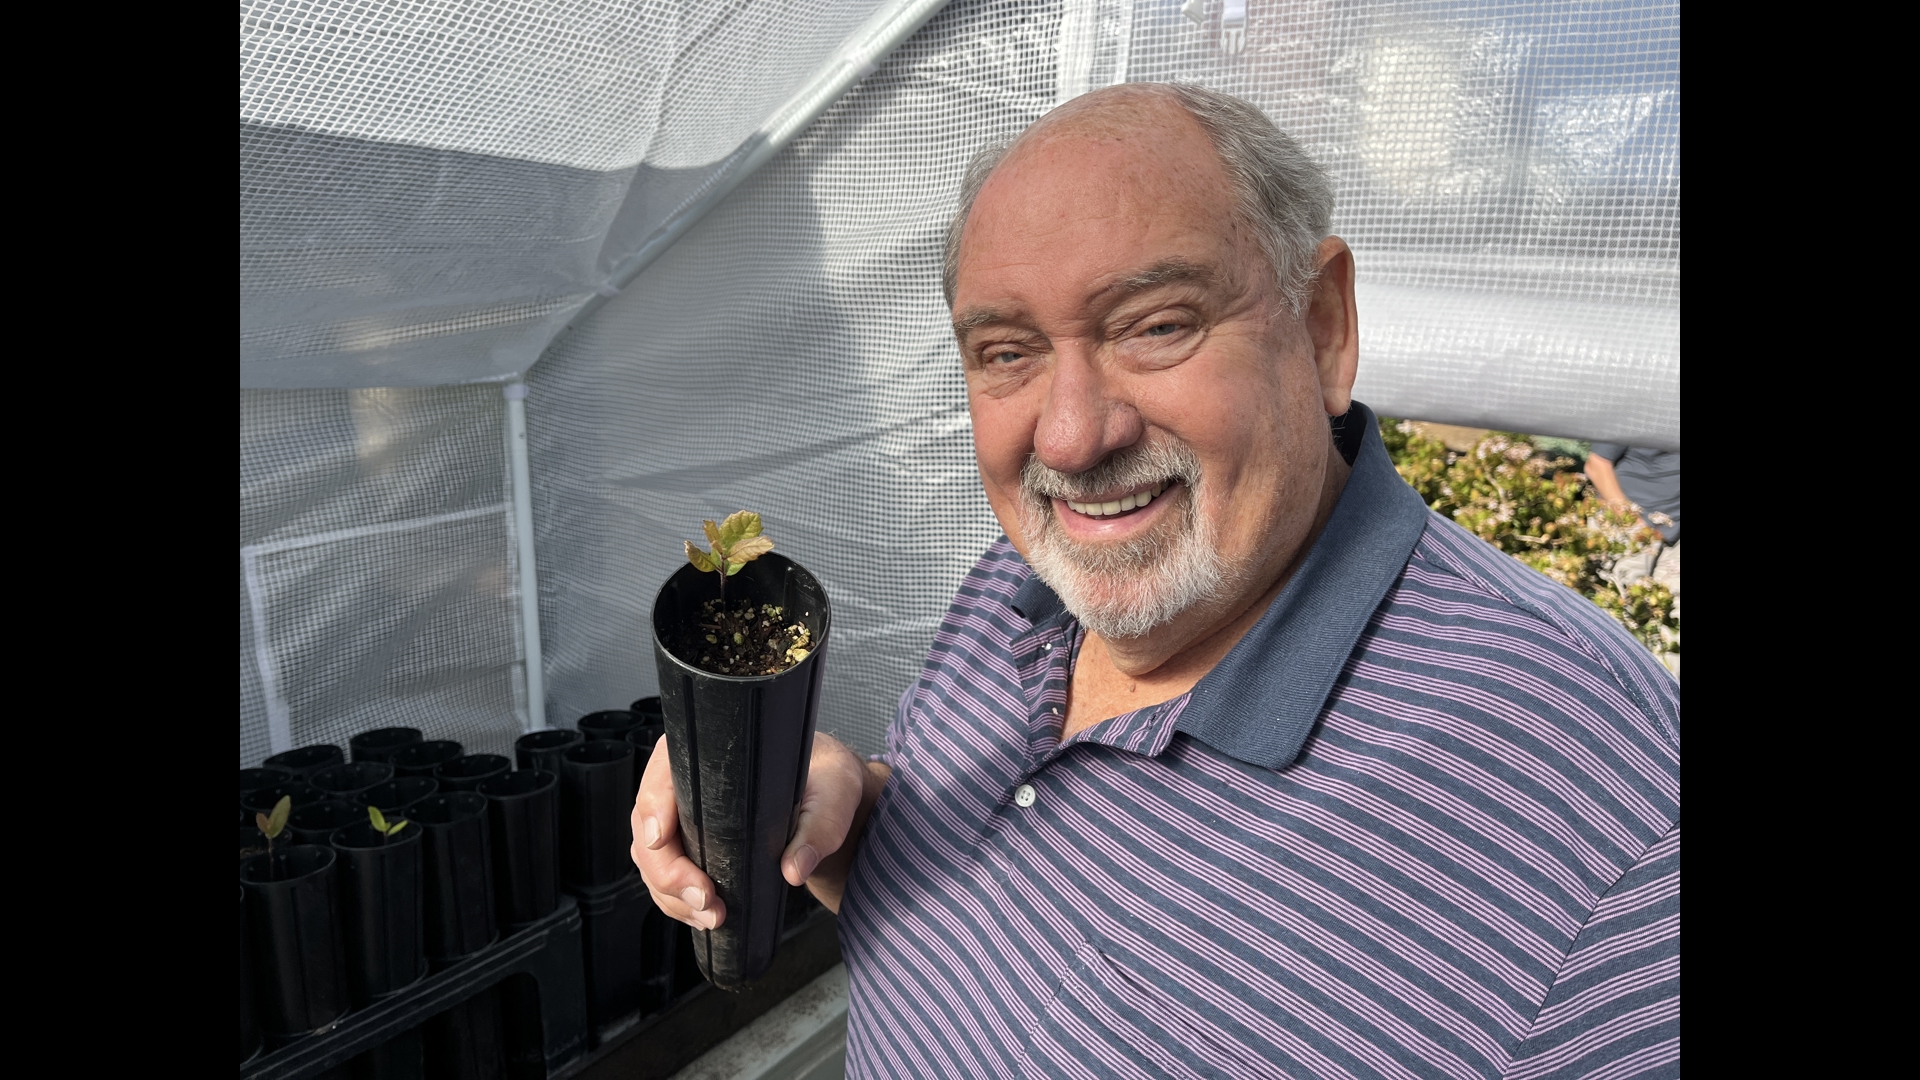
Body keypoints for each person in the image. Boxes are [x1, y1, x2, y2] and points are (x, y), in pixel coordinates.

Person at [632, 84, 1679, 1079]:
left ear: (1322, 327)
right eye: (1006, 352)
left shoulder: (1608, 824)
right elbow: (1009, 904)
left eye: (1156, 325)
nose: (1075, 435)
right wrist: (854, 813)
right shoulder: (1030, 583)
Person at [1586, 443, 1680, 609]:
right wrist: (1633, 523)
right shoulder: (1639, 417)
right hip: (1626, 532)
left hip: (1673, 543)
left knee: (1667, 622)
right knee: (1613, 613)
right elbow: (1597, 464)